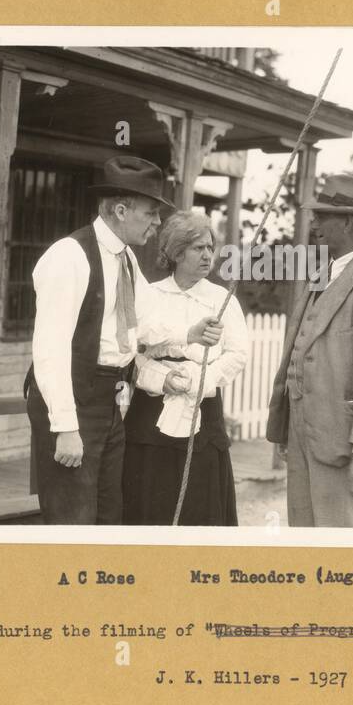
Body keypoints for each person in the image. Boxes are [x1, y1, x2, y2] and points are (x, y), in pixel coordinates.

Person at [24, 156, 222, 525]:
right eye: (150, 213)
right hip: (73, 402)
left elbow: (145, 324)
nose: (157, 222)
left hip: (110, 404)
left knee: (108, 515)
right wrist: (65, 427)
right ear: (120, 210)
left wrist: (189, 333)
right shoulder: (68, 257)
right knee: (73, 519)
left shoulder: (126, 258)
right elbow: (49, 351)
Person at [266, 174, 353, 527]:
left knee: (340, 547)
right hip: (301, 434)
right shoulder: (321, 274)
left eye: (322, 216)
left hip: (340, 441)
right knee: (304, 537)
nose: (314, 224)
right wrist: (285, 426)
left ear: (348, 221)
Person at [122, 212, 249, 526]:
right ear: (176, 253)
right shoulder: (150, 295)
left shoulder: (222, 299)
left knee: (199, 502)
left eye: (210, 247)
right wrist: (161, 378)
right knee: (151, 497)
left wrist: (200, 380)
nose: (208, 255)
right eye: (198, 248)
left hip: (203, 409)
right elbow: (130, 352)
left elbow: (238, 354)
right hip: (151, 410)